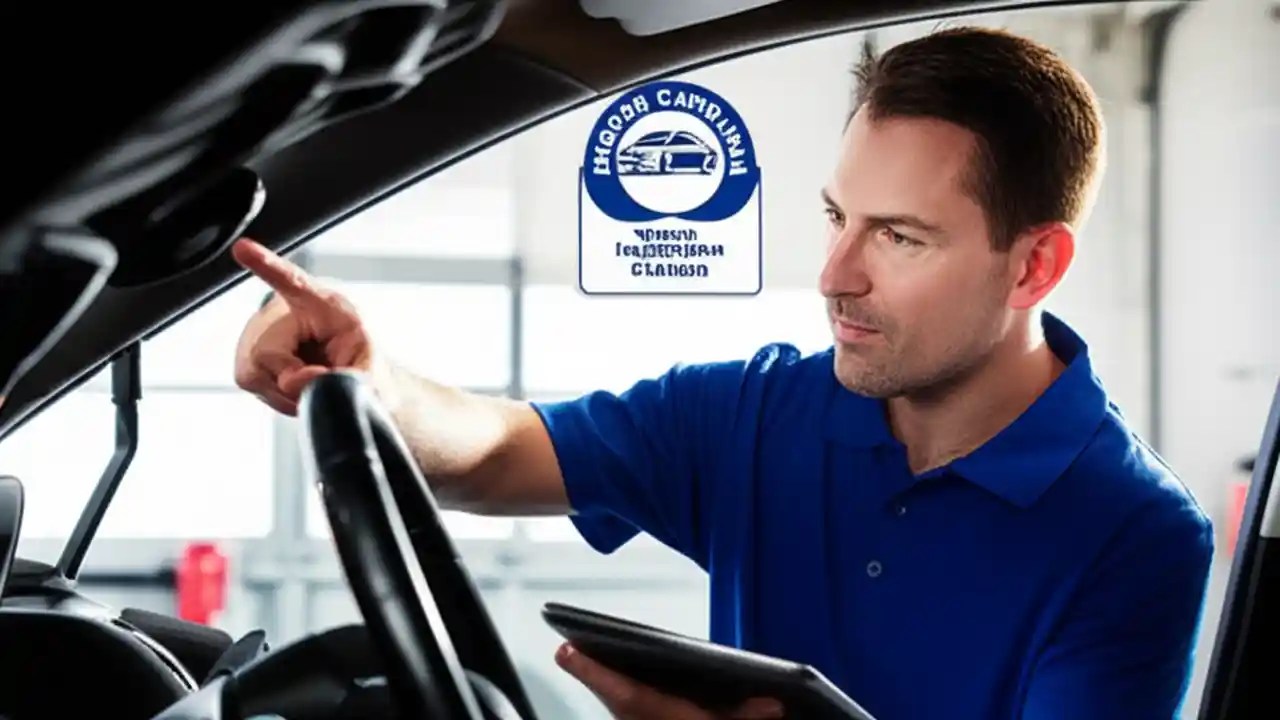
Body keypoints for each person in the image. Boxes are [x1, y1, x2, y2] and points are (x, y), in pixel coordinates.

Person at [231, 25, 1214, 720]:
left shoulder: (1131, 534)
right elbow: (490, 456)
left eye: (899, 238)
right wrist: (369, 378)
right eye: (836, 217)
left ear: (1032, 265)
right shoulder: (756, 410)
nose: (833, 276)